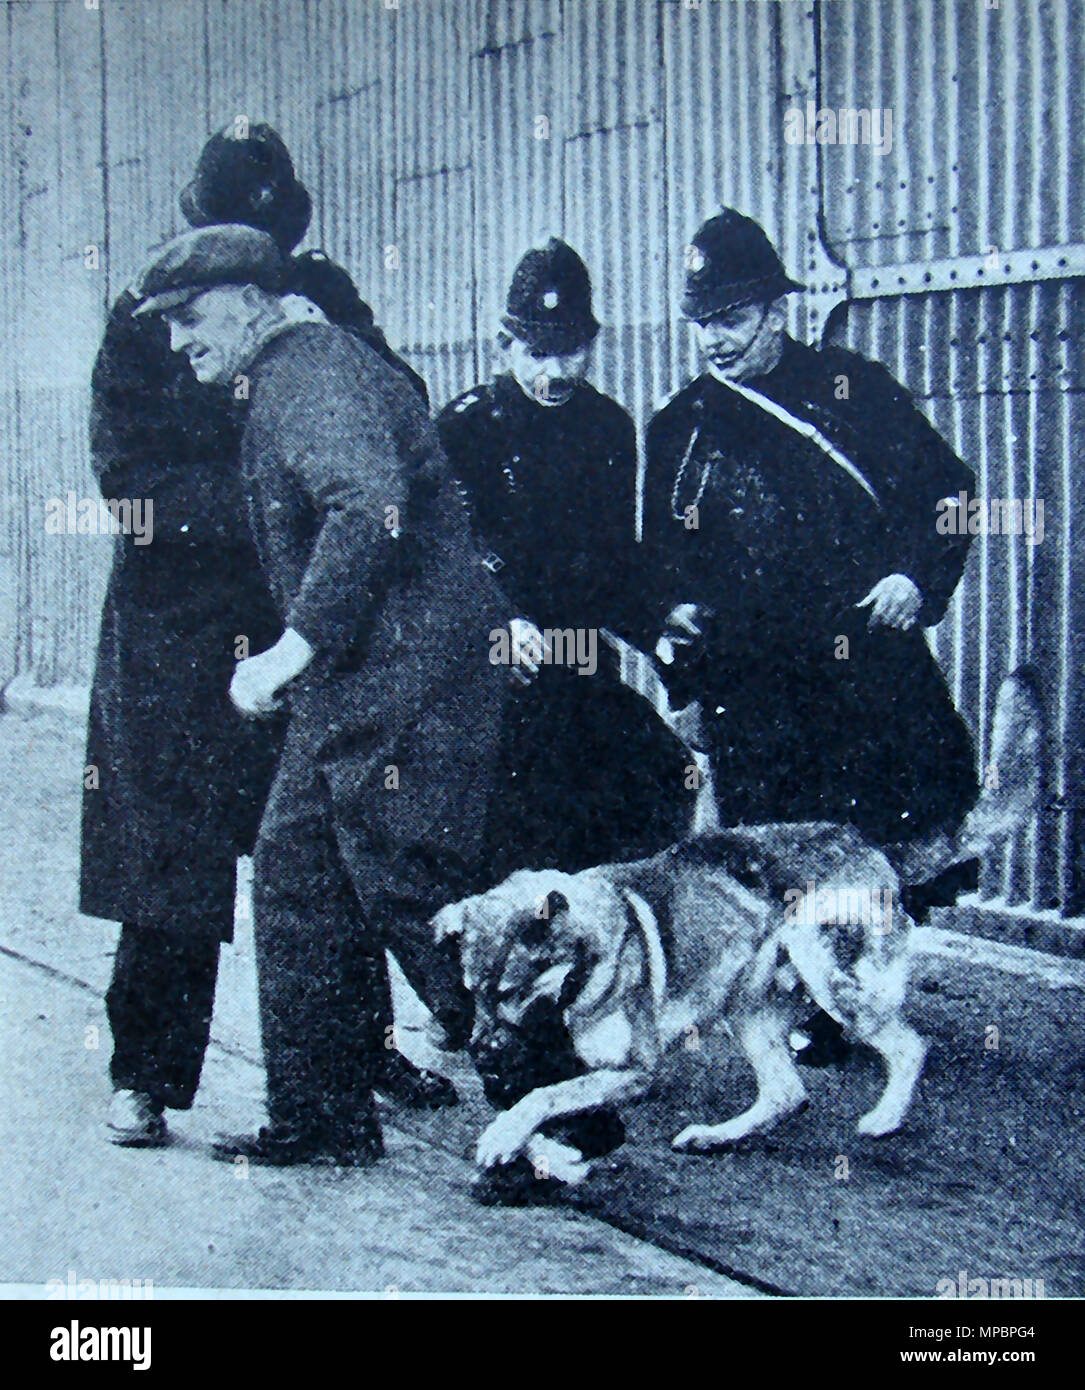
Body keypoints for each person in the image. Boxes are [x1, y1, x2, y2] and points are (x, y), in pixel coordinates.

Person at [83, 124, 440, 1150]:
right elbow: (129, 484)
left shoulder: (316, 297)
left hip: (303, 607)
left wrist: (325, 333)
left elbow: (394, 411)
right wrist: (264, 501)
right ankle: (145, 1073)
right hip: (175, 622)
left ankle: (355, 1051)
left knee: (333, 834)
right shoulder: (145, 318)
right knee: (171, 854)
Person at [131, 224, 507, 1166]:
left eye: (190, 317)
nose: (179, 341)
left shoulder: (308, 369)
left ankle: (556, 1106)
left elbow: (365, 503)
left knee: (413, 891)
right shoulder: (289, 368)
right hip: (361, 677)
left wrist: (291, 649)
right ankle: (321, 1117)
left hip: (405, 675)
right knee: (298, 874)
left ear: (252, 298)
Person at [641, 209, 979, 1062]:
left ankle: (853, 1005)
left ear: (774, 311)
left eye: (730, 319)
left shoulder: (851, 390)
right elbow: (661, 565)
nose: (714, 340)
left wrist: (916, 575)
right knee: (775, 852)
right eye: (701, 322)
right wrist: (675, 652)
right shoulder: (677, 424)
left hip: (862, 668)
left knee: (871, 841)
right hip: (754, 686)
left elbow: (946, 490)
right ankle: (798, 1005)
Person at [437, 238, 693, 1199]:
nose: (555, 369)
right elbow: (445, 563)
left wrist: (659, 621)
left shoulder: (605, 426)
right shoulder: (460, 429)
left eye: (571, 348)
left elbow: (610, 563)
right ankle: (534, 1127)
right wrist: (504, 624)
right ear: (503, 342)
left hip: (576, 687)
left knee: (652, 806)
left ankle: (588, 1064)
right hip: (488, 696)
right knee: (518, 896)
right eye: (536, 348)